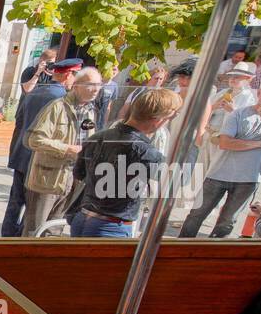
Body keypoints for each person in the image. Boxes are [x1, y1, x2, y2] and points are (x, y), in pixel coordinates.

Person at [180, 74, 261, 238]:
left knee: (228, 221)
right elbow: (225, 143)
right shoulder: (239, 113)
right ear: (259, 92)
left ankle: (211, 254)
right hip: (219, 173)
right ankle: (183, 245)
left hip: (249, 178)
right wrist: (260, 144)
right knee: (196, 214)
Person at [69, 87, 182, 238]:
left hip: (83, 218)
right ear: (158, 120)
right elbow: (179, 179)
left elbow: (79, 173)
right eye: (169, 118)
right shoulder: (146, 152)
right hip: (110, 226)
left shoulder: (98, 137)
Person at [3, 57, 83, 236]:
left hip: (22, 156)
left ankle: (7, 237)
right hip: (42, 160)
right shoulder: (62, 100)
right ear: (68, 75)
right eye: (75, 76)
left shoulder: (34, 92)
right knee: (35, 211)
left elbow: (20, 121)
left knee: (16, 203)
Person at [23, 66, 103, 236]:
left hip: (72, 181)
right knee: (34, 231)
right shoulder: (57, 107)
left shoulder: (90, 111)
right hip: (47, 181)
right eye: (91, 84)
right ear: (77, 85)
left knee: (54, 231)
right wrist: (67, 149)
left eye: (99, 84)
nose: (96, 89)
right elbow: (33, 140)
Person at [199, 61, 257, 179]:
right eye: (232, 76)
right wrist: (214, 106)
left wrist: (232, 110)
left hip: (224, 137)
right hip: (209, 133)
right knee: (201, 167)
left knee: (215, 169)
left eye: (237, 77)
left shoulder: (248, 97)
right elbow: (207, 109)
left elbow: (246, 122)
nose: (233, 79)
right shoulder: (223, 92)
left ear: (247, 79)